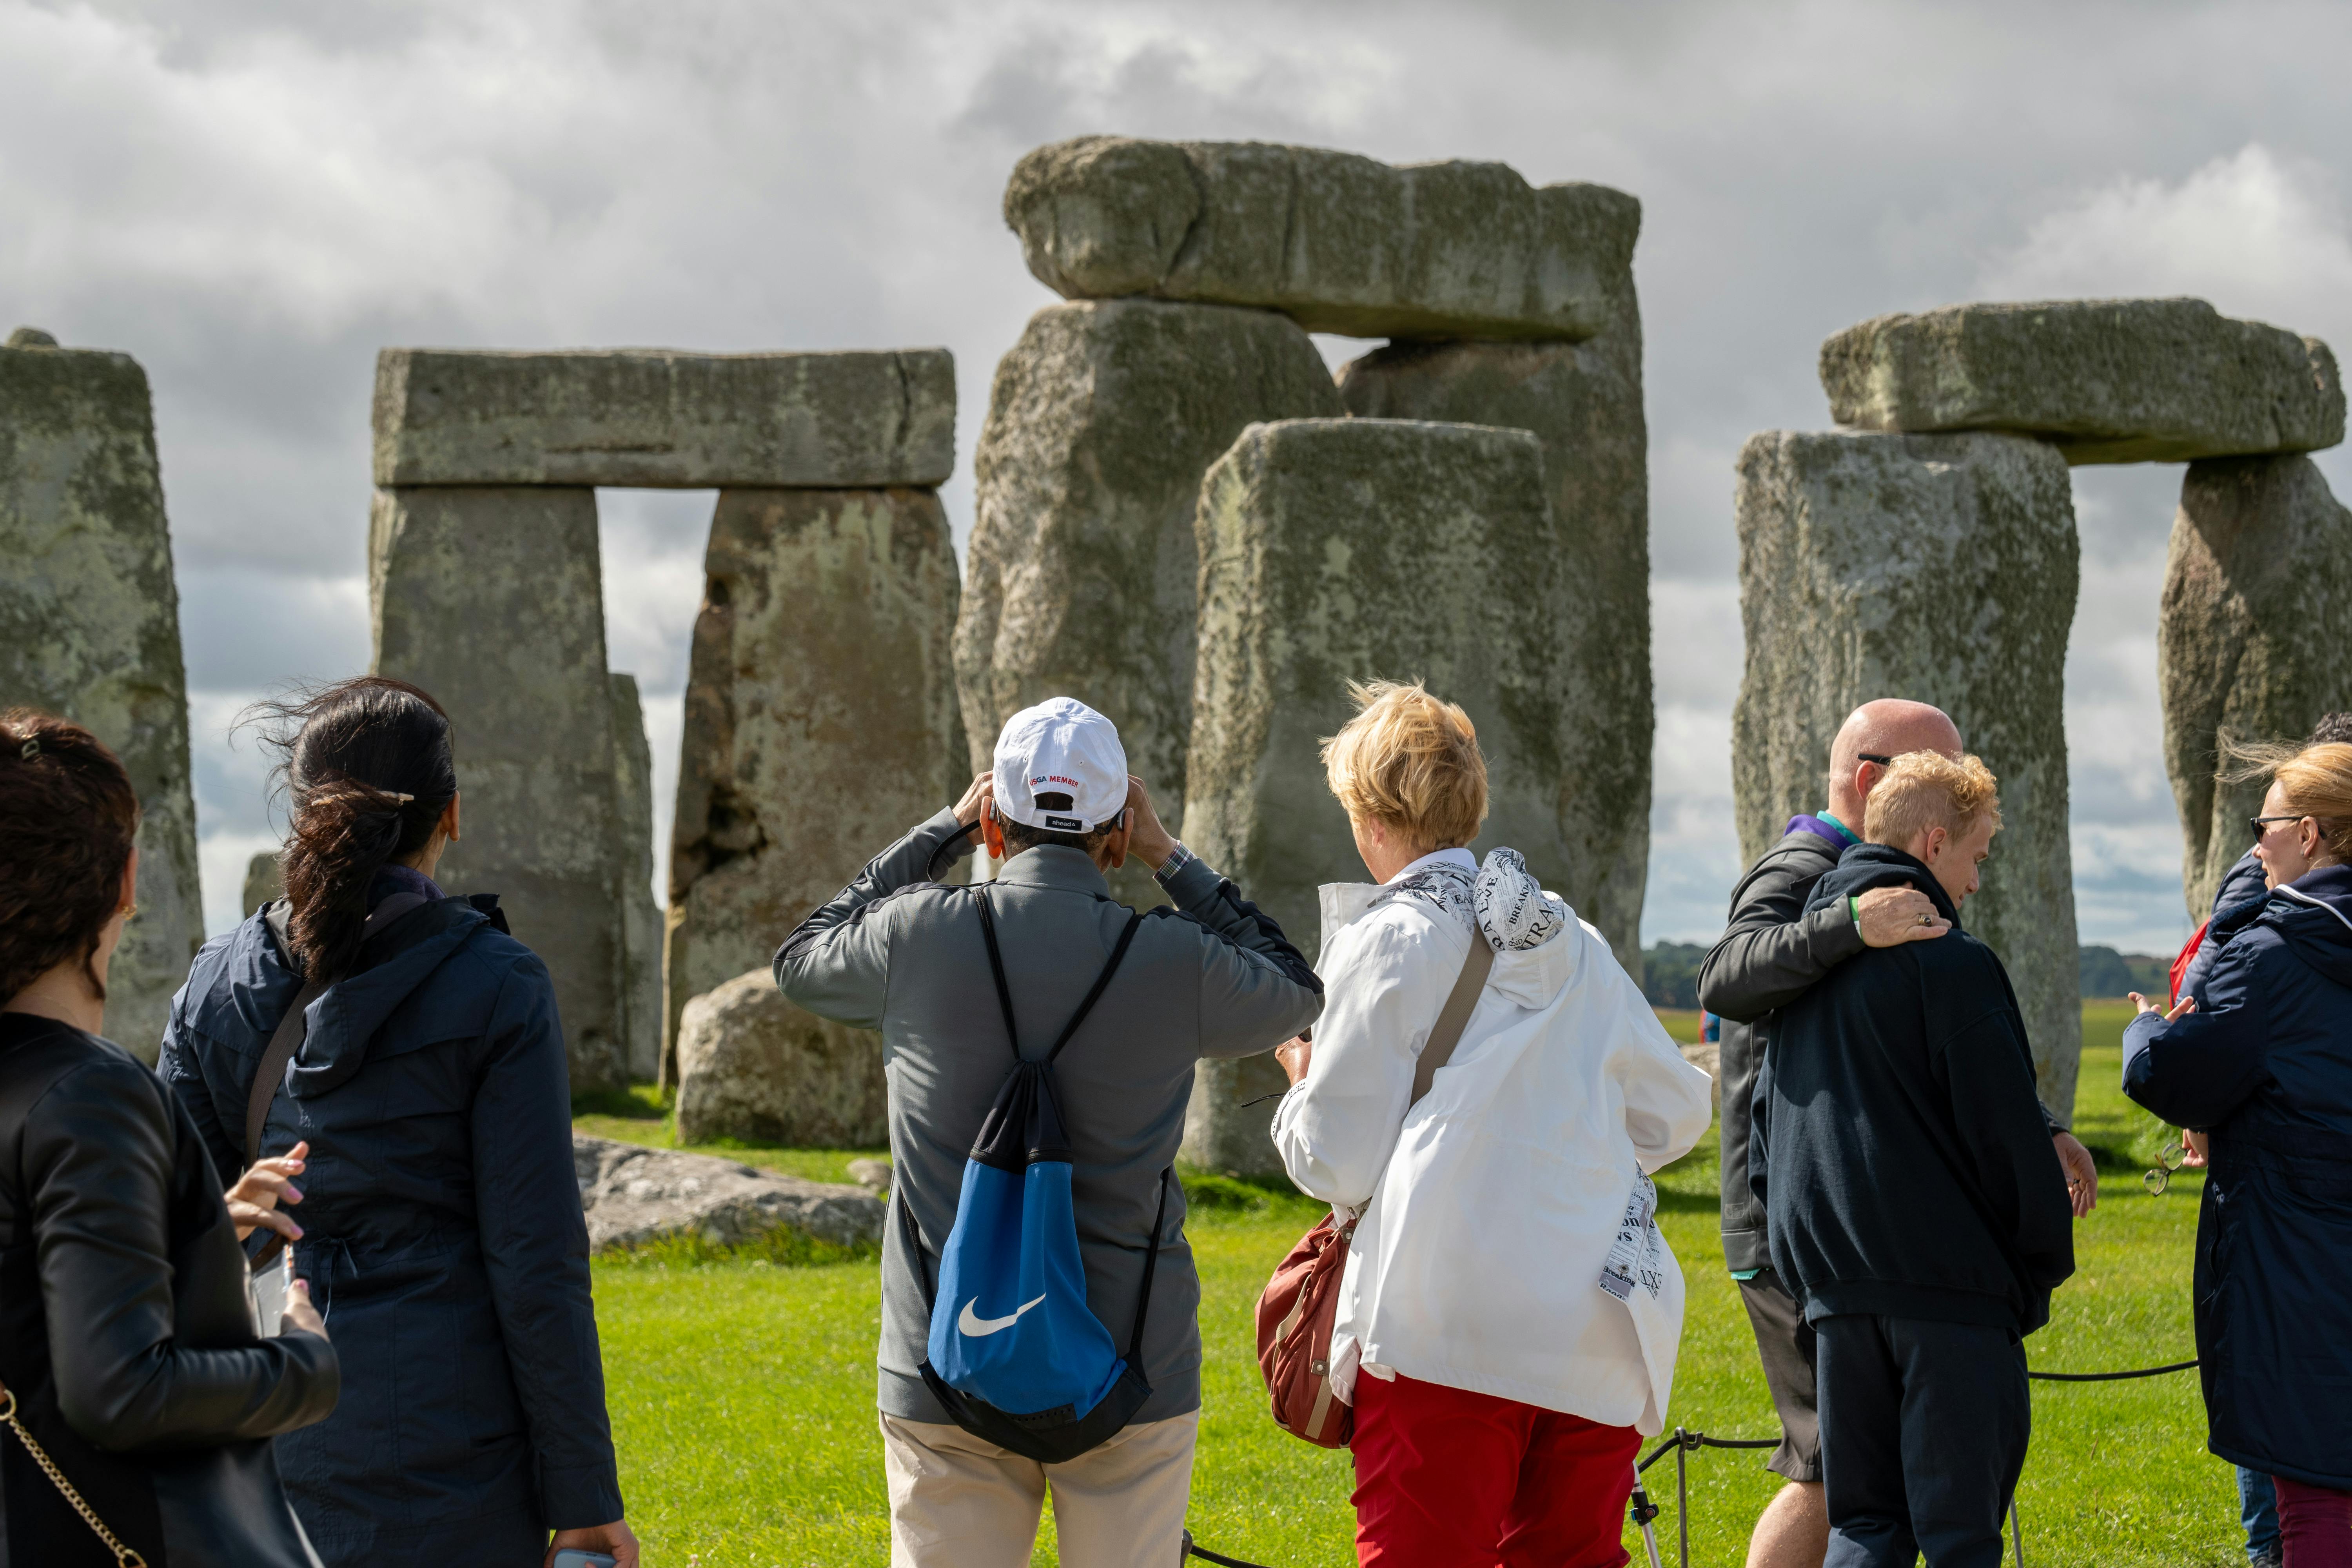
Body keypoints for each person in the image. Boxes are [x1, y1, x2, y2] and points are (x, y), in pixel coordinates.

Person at [776, 696, 1323, 1568]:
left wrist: (940, 830)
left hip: (942, 1354)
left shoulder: (918, 934)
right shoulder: (1176, 959)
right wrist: (1168, 854)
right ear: (1115, 830)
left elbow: (800, 956)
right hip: (1128, 1363)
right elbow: (1295, 987)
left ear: (995, 817)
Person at [158, 678, 638, 1568]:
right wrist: (583, 1497)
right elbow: (536, 1260)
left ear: (303, 814)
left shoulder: (213, 982)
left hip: (260, 1423)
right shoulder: (499, 985)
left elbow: (179, 1226)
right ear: (450, 815)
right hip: (451, 1446)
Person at [1270, 681, 1714, 1568]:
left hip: (1448, 1315)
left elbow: (1337, 1158)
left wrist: (1300, 1081)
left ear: (1370, 815)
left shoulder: (1389, 934)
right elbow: (1674, 1111)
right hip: (1595, 1325)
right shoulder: (1572, 938)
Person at [1699, 700, 2098, 1568]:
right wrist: (2035, 1264)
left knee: (1860, 1514)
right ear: (1903, 807)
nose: (1979, 881)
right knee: (1882, 1500)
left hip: (1831, 1255)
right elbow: (1724, 976)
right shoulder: (1808, 873)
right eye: (1976, 853)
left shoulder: (1850, 950)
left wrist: (2047, 1122)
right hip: (1921, 1276)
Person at [0, 709, 339, 1567]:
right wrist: (303, 1361)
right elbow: (122, 1389)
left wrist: (190, 1231)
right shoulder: (92, 1095)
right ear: (125, 879)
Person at [2124, 739, 2352, 1568]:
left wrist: (2147, 1026)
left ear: (2314, 833)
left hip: (2296, 1254)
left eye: (2267, 822)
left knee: (2316, 1494)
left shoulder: (2273, 956)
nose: (2255, 841)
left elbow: (2169, 1076)